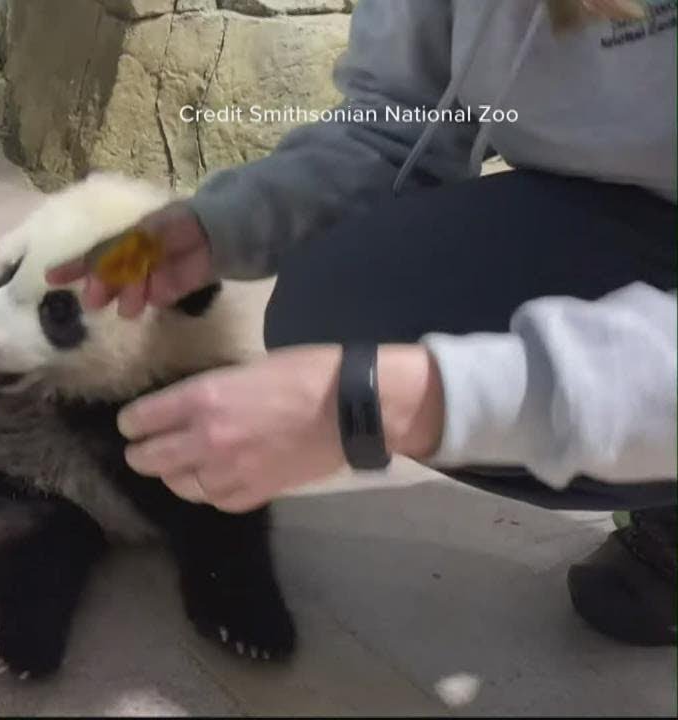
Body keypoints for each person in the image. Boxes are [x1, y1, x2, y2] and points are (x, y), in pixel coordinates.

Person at [48, 0, 676, 647]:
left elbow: (382, 400)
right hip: (622, 212)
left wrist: (401, 401)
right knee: (332, 306)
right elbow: (394, 124)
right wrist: (223, 222)